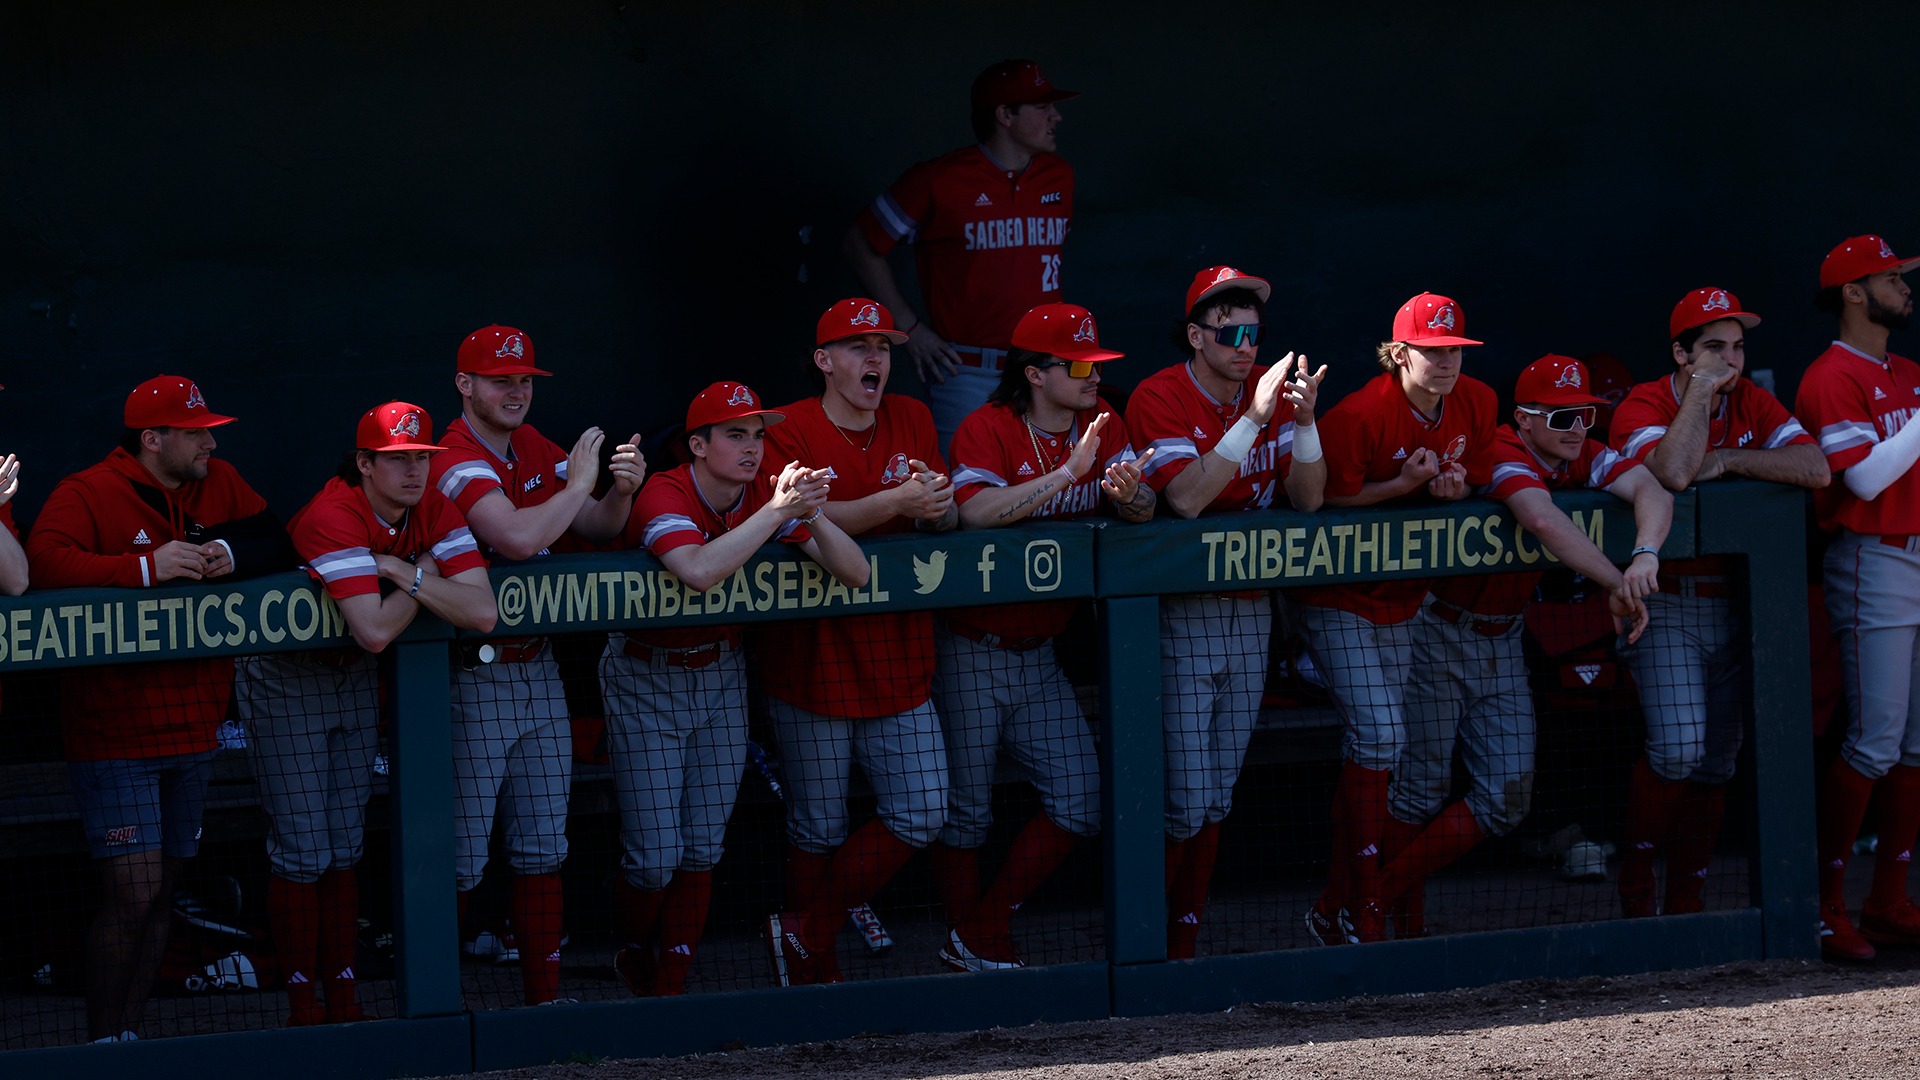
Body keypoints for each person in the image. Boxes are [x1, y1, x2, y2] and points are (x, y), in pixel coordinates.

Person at [28, 376, 292, 1042]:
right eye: (196, 433)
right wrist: (142, 569)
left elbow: (279, 535)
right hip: (115, 734)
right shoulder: (88, 491)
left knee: (162, 895)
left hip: (195, 728)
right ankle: (102, 1043)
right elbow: (42, 565)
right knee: (134, 893)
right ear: (152, 439)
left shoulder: (218, 481)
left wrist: (227, 552)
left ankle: (129, 1037)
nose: (211, 444)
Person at [1380, 356, 1670, 938]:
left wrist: (1645, 556)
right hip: (1440, 632)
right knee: (1417, 792)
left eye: (1585, 414)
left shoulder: (1578, 452)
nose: (1577, 427)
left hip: (1504, 637)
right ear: (1525, 419)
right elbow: (1541, 521)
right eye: (1562, 416)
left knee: (1506, 799)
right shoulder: (1503, 448)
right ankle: (1383, 922)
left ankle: (1368, 897)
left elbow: (1651, 488)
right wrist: (1618, 585)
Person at [602, 381, 867, 996]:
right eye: (735, 435)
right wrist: (776, 512)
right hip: (646, 677)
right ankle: (634, 950)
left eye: (757, 436)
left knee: (702, 848)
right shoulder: (664, 491)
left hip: (722, 673)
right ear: (698, 445)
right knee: (654, 857)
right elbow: (696, 571)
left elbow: (855, 572)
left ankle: (672, 985)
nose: (752, 448)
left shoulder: (762, 493)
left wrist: (809, 512)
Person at [238, 401, 496, 1025]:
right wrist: (428, 577)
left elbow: (484, 613)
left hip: (351, 677)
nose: (414, 472)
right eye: (398, 459)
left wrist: (409, 572)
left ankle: (345, 997)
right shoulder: (334, 513)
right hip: (289, 679)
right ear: (364, 463)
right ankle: (304, 1008)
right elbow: (375, 632)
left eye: (422, 458)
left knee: (344, 844)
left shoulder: (433, 507)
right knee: (303, 851)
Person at [429, 324, 647, 1005]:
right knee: (461, 856)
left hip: (538, 667)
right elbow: (520, 539)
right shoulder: (452, 455)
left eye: (524, 379)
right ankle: (436, 1008)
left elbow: (599, 526)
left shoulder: (532, 444)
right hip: (470, 673)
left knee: (544, 845)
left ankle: (544, 1001)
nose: (517, 391)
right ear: (465, 385)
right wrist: (579, 483)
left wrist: (619, 491)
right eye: (501, 380)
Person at [933, 302, 1153, 971]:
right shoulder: (988, 427)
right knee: (966, 813)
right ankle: (965, 946)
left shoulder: (1103, 421)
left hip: (1042, 656)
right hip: (973, 649)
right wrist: (1066, 474)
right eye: (1080, 366)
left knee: (1080, 799)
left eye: (1097, 364)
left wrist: (1132, 497)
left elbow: (1145, 511)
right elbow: (974, 512)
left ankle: (978, 932)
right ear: (1035, 374)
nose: (1095, 377)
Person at [1124, 266, 1326, 957]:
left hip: (1253, 609)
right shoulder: (1159, 394)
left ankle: (1183, 942)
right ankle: (1147, 942)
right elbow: (1185, 498)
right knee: (1185, 798)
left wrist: (1304, 423)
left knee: (1217, 796)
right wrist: (1254, 418)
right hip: (1185, 612)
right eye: (1229, 333)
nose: (1246, 347)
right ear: (1195, 336)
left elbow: (1309, 500)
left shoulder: (1268, 391)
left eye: (1254, 334)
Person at [1608, 288, 1827, 920]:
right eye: (1712, 348)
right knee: (1678, 749)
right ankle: (1636, 886)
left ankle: (1687, 898)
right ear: (1681, 354)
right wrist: (1701, 390)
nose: (1730, 359)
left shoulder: (1752, 399)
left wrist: (1729, 458)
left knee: (1717, 762)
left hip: (1738, 603)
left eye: (1737, 347)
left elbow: (1816, 468)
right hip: (1667, 603)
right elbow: (1674, 472)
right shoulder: (1645, 402)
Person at [760, 297, 958, 986]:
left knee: (924, 807)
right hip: (813, 656)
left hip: (898, 649)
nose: (877, 358)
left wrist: (935, 506)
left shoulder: (913, 417)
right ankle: (812, 969)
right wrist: (897, 503)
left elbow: (944, 515)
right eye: (859, 347)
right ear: (823, 360)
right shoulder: (788, 428)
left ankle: (807, 932)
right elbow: (799, 517)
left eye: (884, 347)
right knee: (817, 825)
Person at [1295, 293, 1498, 945]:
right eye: (1432, 350)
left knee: (1383, 748)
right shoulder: (1361, 414)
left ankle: (1341, 906)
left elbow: (1480, 477)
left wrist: (1456, 489)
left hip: (1405, 603)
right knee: (1382, 737)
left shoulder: (1477, 402)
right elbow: (1322, 501)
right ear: (1400, 353)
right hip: (1338, 599)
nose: (1446, 362)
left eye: (1454, 349)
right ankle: (1361, 904)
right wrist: (1401, 488)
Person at [843, 59, 1078, 451]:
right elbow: (858, 244)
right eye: (1041, 107)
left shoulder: (1059, 176)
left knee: (1049, 480)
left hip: (1047, 367)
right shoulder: (940, 179)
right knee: (967, 485)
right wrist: (909, 328)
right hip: (968, 371)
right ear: (1005, 115)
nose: (1056, 116)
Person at [1794, 235, 1920, 962]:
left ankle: (1888, 901)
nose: (1904, 288)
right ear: (1852, 292)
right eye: (1891, 278)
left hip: (1916, 551)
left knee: (1917, 743)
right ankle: (1825, 904)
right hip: (1875, 556)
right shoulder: (1830, 375)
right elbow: (1865, 479)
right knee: (1875, 740)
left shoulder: (1909, 372)